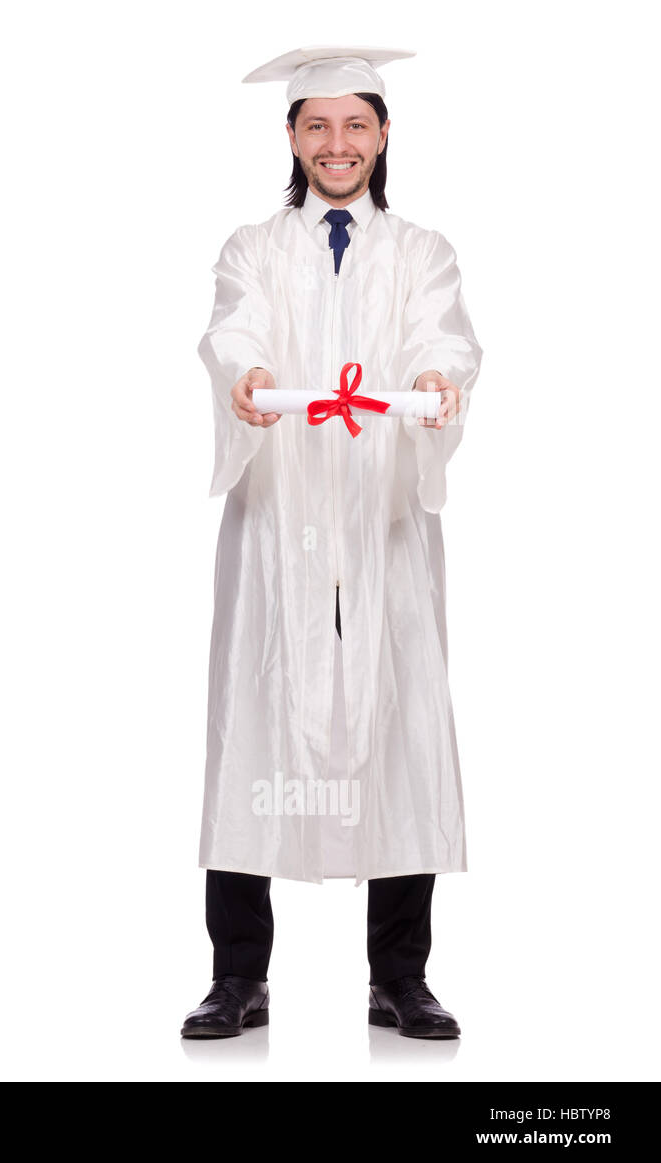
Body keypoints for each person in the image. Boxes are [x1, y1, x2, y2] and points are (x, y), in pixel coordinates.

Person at [182, 46, 481, 1041]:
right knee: (252, 726)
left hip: (382, 515)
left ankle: (399, 974)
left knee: (398, 734)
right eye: (318, 125)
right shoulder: (254, 247)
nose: (337, 143)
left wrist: (439, 382)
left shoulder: (420, 252)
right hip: (281, 520)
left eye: (355, 125)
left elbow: (446, 337)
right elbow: (234, 328)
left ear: (383, 135)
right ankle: (237, 975)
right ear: (291, 137)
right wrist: (248, 372)